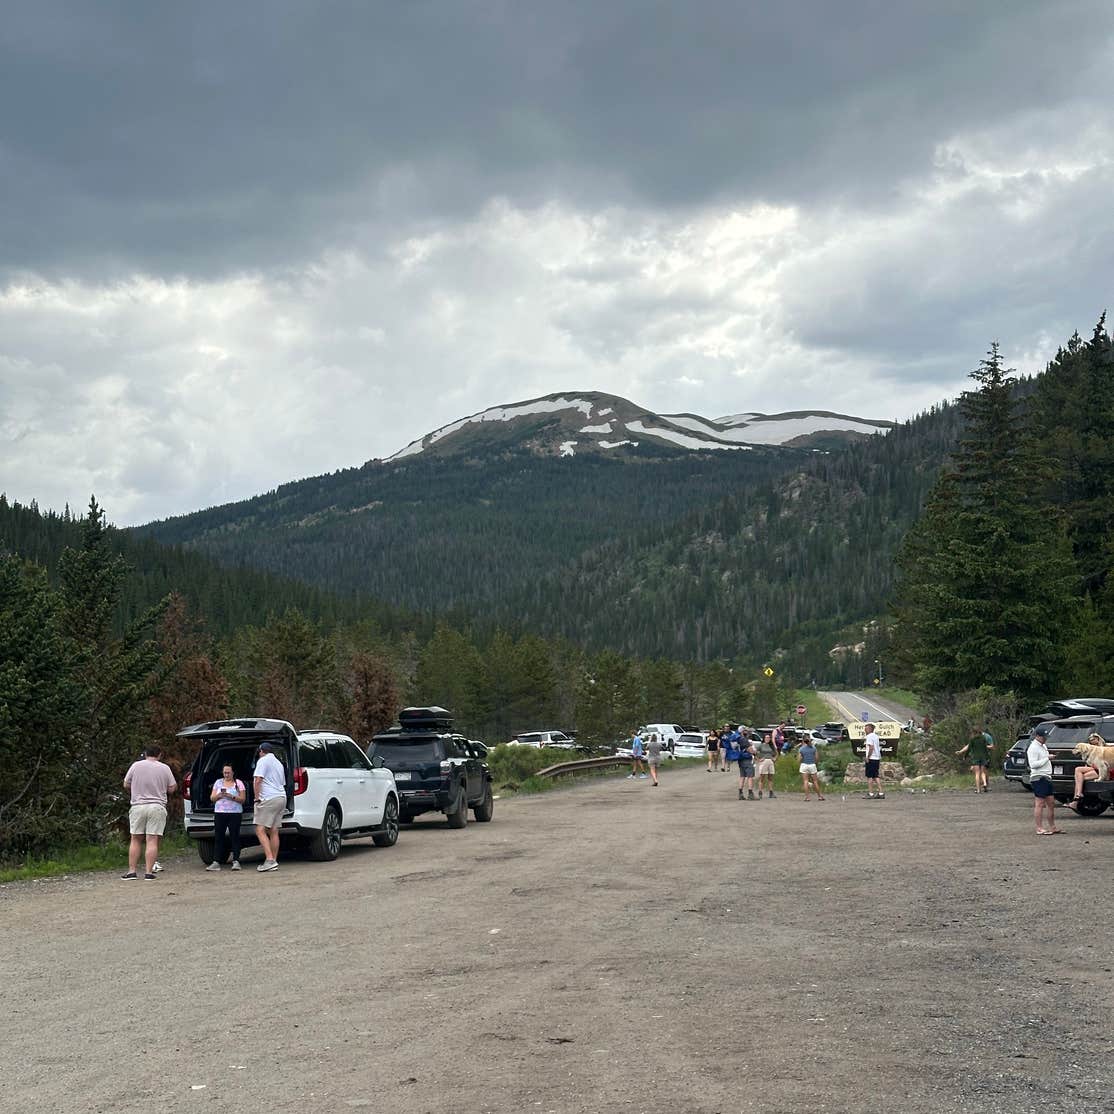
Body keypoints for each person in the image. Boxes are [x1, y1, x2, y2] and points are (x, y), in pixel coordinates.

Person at [122, 745, 177, 880]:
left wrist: (135, 788)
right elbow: (172, 787)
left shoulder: (136, 766)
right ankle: (148, 872)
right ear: (159, 755)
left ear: (146, 754)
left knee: (135, 839)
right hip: (157, 806)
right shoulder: (165, 768)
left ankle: (132, 871)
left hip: (138, 806)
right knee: (152, 839)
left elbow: (126, 784)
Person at [253, 741, 287, 872]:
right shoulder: (278, 763)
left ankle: (269, 860)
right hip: (281, 798)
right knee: (273, 830)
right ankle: (273, 861)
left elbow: (258, 780)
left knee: (260, 830)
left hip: (269, 799)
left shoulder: (263, 761)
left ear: (261, 751)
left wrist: (257, 799)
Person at [207, 762, 246, 871]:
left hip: (235, 813)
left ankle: (236, 860)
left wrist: (231, 796)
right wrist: (219, 796)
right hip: (220, 812)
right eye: (224, 772)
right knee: (219, 837)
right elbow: (212, 798)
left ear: (233, 772)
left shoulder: (238, 783)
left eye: (228, 772)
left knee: (235, 836)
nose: (226, 775)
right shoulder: (218, 782)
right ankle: (216, 861)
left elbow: (243, 799)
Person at [1026, 727, 1061, 835]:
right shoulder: (1033, 748)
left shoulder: (1043, 746)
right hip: (1039, 777)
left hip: (1047, 776)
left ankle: (1052, 826)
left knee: (1051, 802)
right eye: (1043, 737)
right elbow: (1033, 764)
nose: (1045, 739)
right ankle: (1039, 828)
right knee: (1040, 803)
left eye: (1046, 737)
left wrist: (1049, 757)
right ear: (1037, 736)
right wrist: (1047, 758)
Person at [1066, 732, 1106, 813]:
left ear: (1098, 739)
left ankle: (1076, 799)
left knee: (1079, 778)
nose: (1092, 741)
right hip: (1095, 769)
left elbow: (1102, 765)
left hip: (1102, 771)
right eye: (1090, 740)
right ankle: (1077, 796)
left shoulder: (1104, 748)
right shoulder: (1090, 749)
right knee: (1078, 775)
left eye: (1094, 739)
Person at [956, 725, 994, 793]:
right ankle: (985, 783)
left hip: (975, 758)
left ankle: (978, 790)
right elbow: (985, 748)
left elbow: (969, 748)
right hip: (983, 757)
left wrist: (965, 756)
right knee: (983, 772)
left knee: (977, 773)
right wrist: (987, 756)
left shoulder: (972, 739)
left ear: (973, 732)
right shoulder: (983, 738)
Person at [863, 724, 884, 799]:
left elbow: (871, 747)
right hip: (877, 758)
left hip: (871, 758)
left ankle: (871, 793)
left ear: (869, 729)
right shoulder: (876, 736)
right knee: (876, 775)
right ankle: (881, 792)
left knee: (869, 776)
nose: (865, 730)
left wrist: (868, 757)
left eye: (866, 729)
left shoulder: (869, 736)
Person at [755, 733, 778, 799]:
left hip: (770, 761)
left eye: (768, 738)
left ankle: (771, 792)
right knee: (762, 778)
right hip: (763, 762)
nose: (767, 739)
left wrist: (775, 758)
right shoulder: (761, 745)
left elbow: (776, 753)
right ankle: (760, 792)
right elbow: (755, 753)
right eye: (766, 737)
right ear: (764, 738)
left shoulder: (771, 746)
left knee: (770, 778)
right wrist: (758, 759)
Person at [738, 732, 757, 801]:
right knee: (750, 777)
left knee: (742, 776)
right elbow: (751, 751)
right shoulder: (746, 741)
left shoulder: (739, 740)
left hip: (741, 760)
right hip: (748, 760)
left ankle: (740, 793)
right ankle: (750, 794)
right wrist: (755, 752)